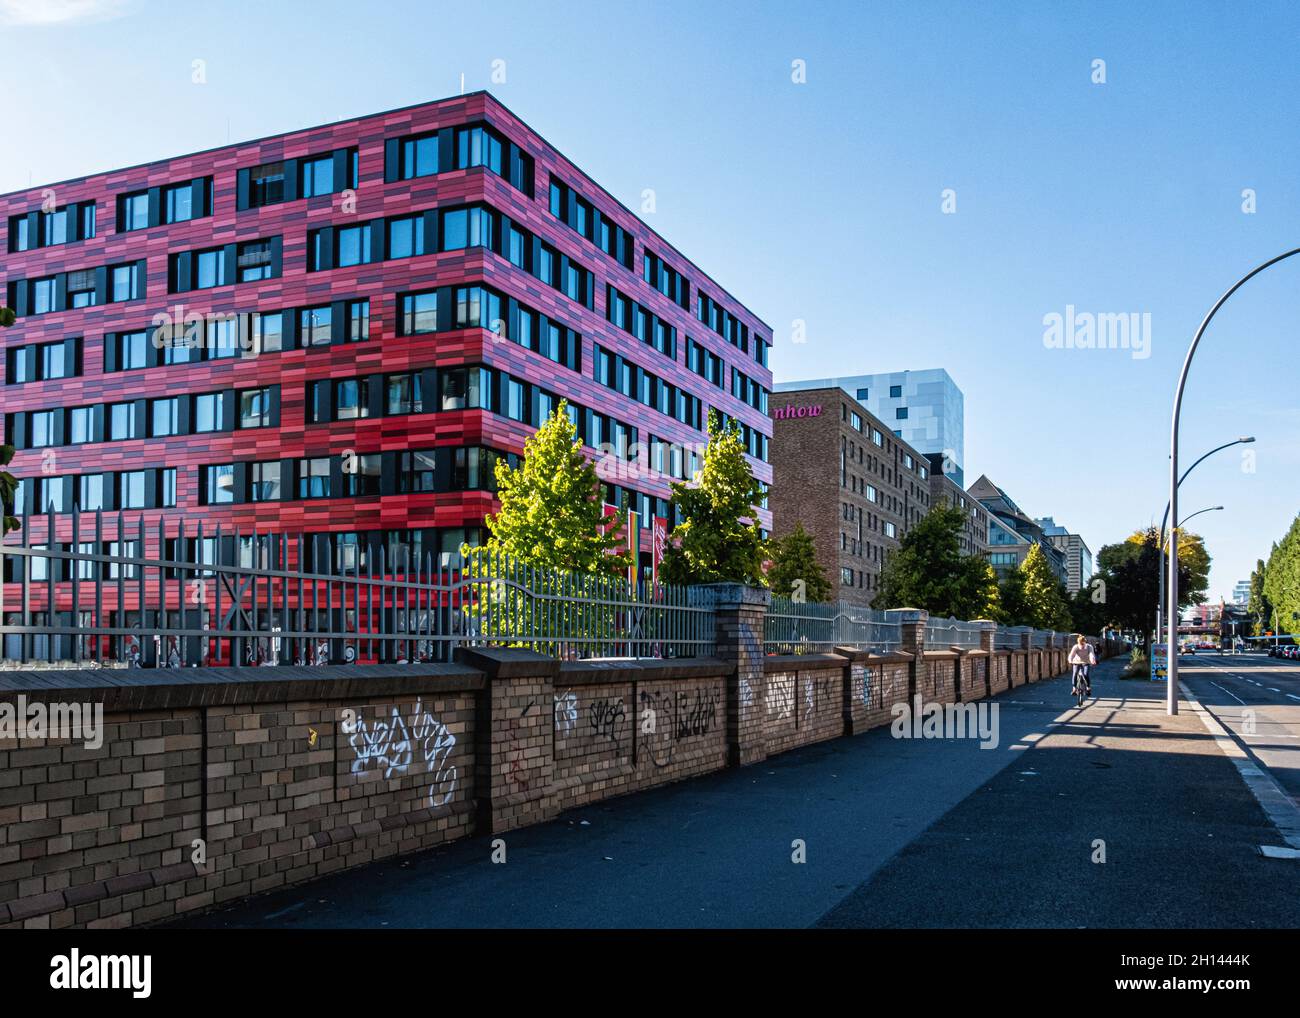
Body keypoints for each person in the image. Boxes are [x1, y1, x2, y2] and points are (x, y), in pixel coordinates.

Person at [1068, 634, 1095, 698]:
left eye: (1083, 644)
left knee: (1086, 674)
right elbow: (1072, 654)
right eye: (1080, 644)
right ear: (1078, 643)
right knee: (1075, 674)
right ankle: (1074, 688)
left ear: (1085, 642)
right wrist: (1070, 660)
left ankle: (1088, 688)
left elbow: (1091, 654)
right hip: (1076, 662)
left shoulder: (1089, 647)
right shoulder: (1076, 647)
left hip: (1086, 662)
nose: (1082, 646)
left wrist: (1092, 660)